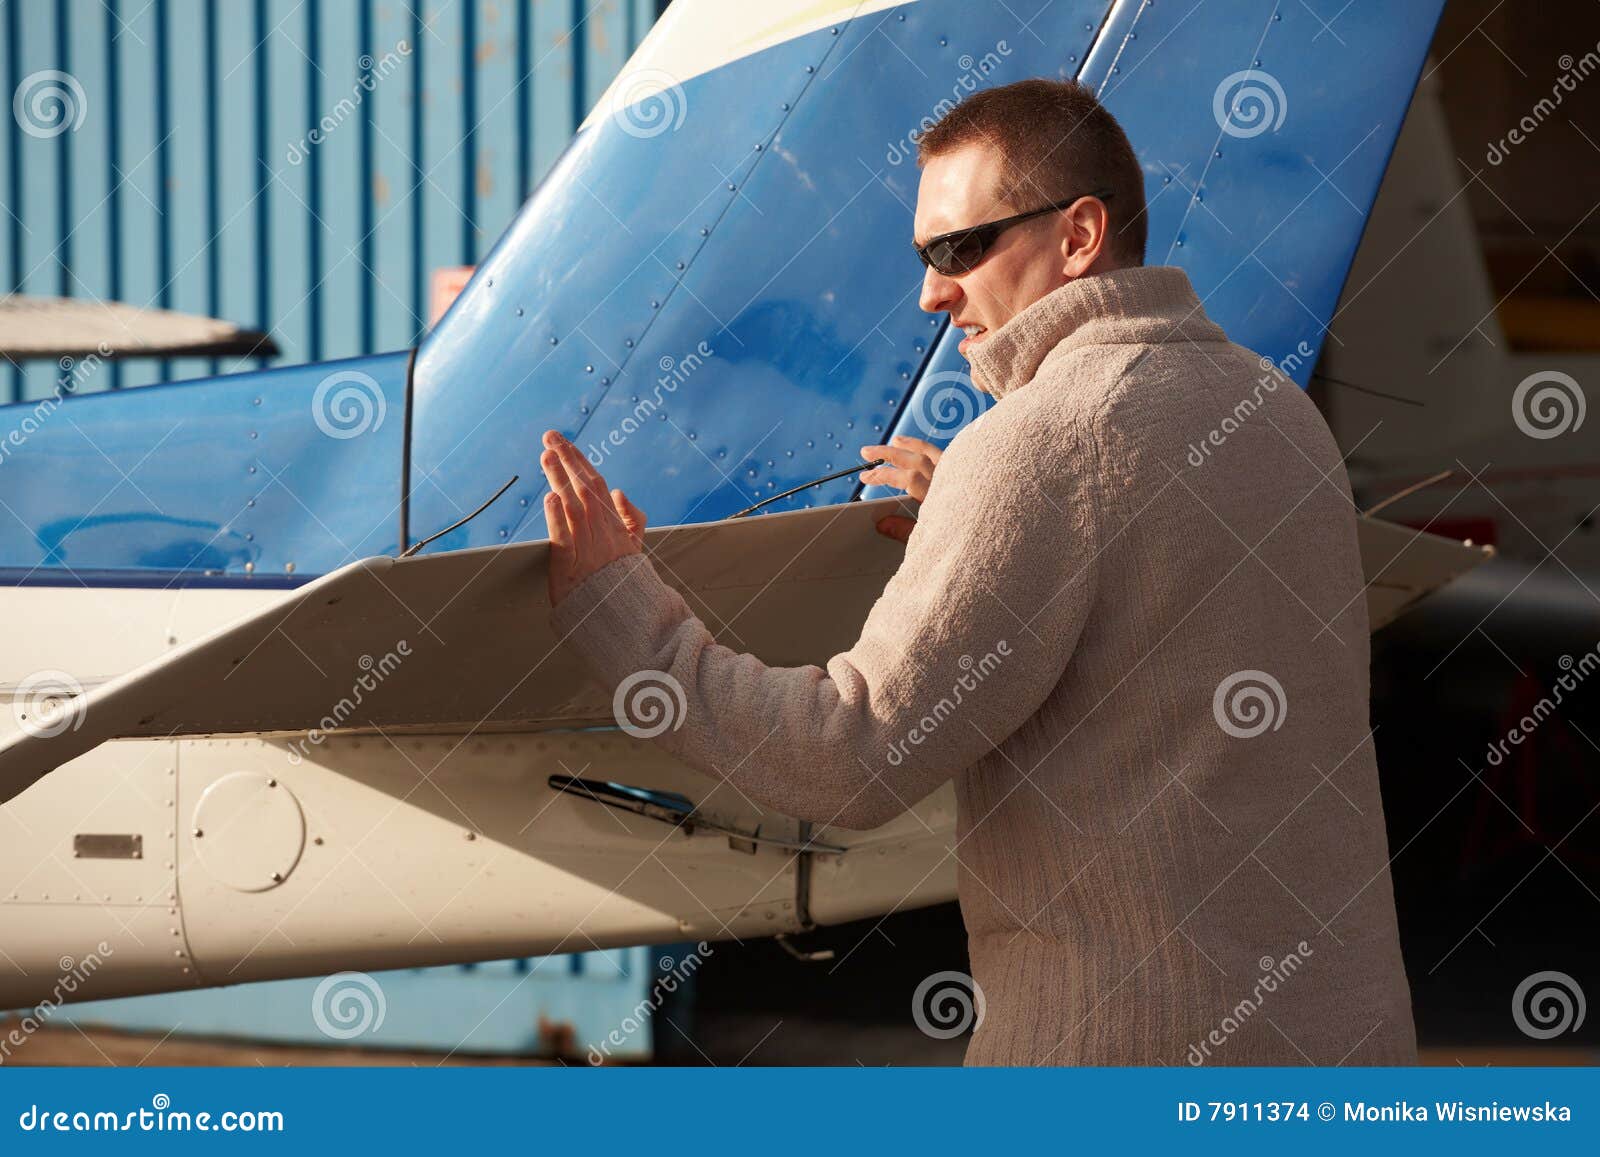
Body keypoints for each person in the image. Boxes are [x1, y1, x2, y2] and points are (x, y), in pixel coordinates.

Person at [540, 78, 1416, 1066]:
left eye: (959, 249)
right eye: (925, 255)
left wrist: (621, 613)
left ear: (1079, 235)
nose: (930, 293)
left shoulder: (1034, 446)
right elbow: (1151, 593)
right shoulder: (1278, 413)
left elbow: (845, 755)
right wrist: (972, 499)